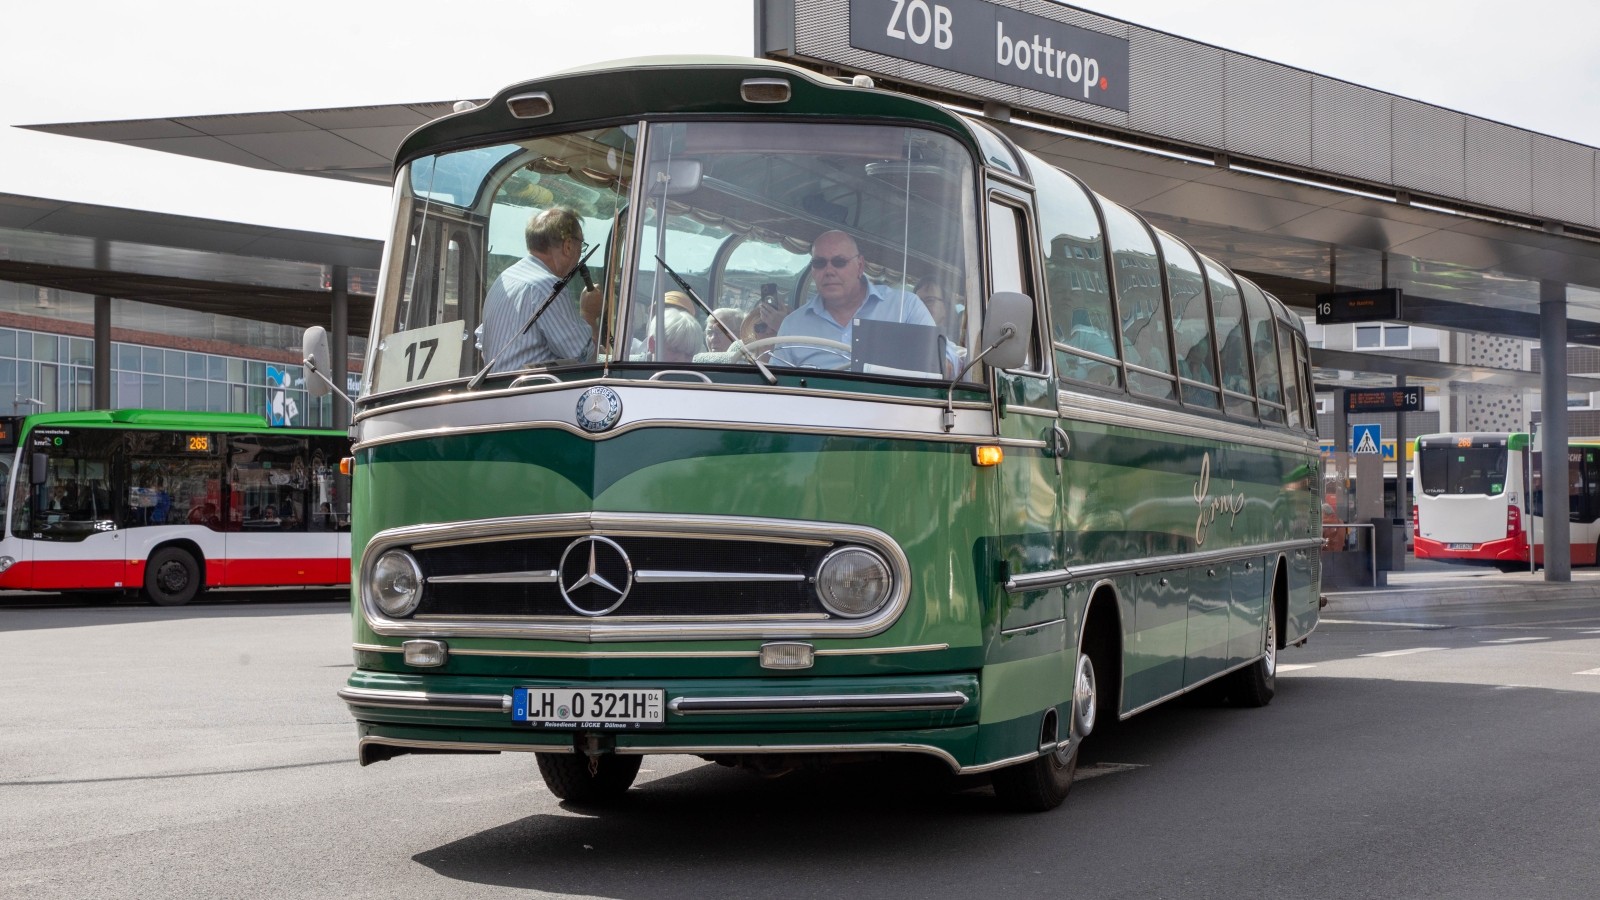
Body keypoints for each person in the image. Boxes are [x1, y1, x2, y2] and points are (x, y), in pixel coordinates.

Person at [774, 231, 941, 369]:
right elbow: (778, 386)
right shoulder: (792, 325)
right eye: (819, 263)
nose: (829, 271)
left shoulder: (905, 307)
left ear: (860, 266)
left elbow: (942, 364)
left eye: (839, 262)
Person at [478, 207, 602, 372]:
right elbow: (583, 357)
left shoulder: (505, 278)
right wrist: (589, 314)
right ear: (568, 246)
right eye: (582, 247)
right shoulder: (548, 287)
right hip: (532, 387)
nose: (580, 254)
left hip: (501, 385)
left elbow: (482, 343)